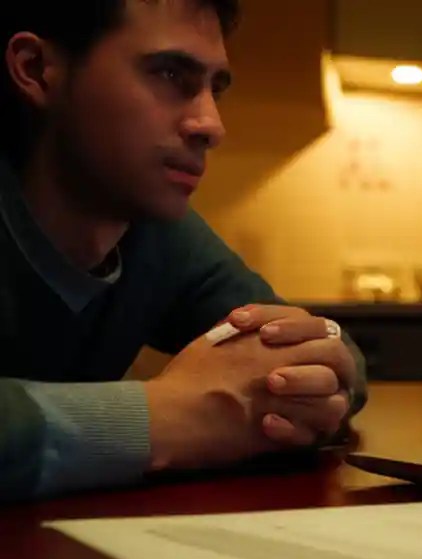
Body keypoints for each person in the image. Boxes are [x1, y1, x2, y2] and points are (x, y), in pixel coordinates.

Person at [0, 0, 366, 502]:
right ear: (37, 70)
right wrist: (164, 417)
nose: (211, 125)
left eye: (215, 88)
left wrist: (322, 373)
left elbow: (326, 350)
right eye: (170, 73)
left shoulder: (156, 234)